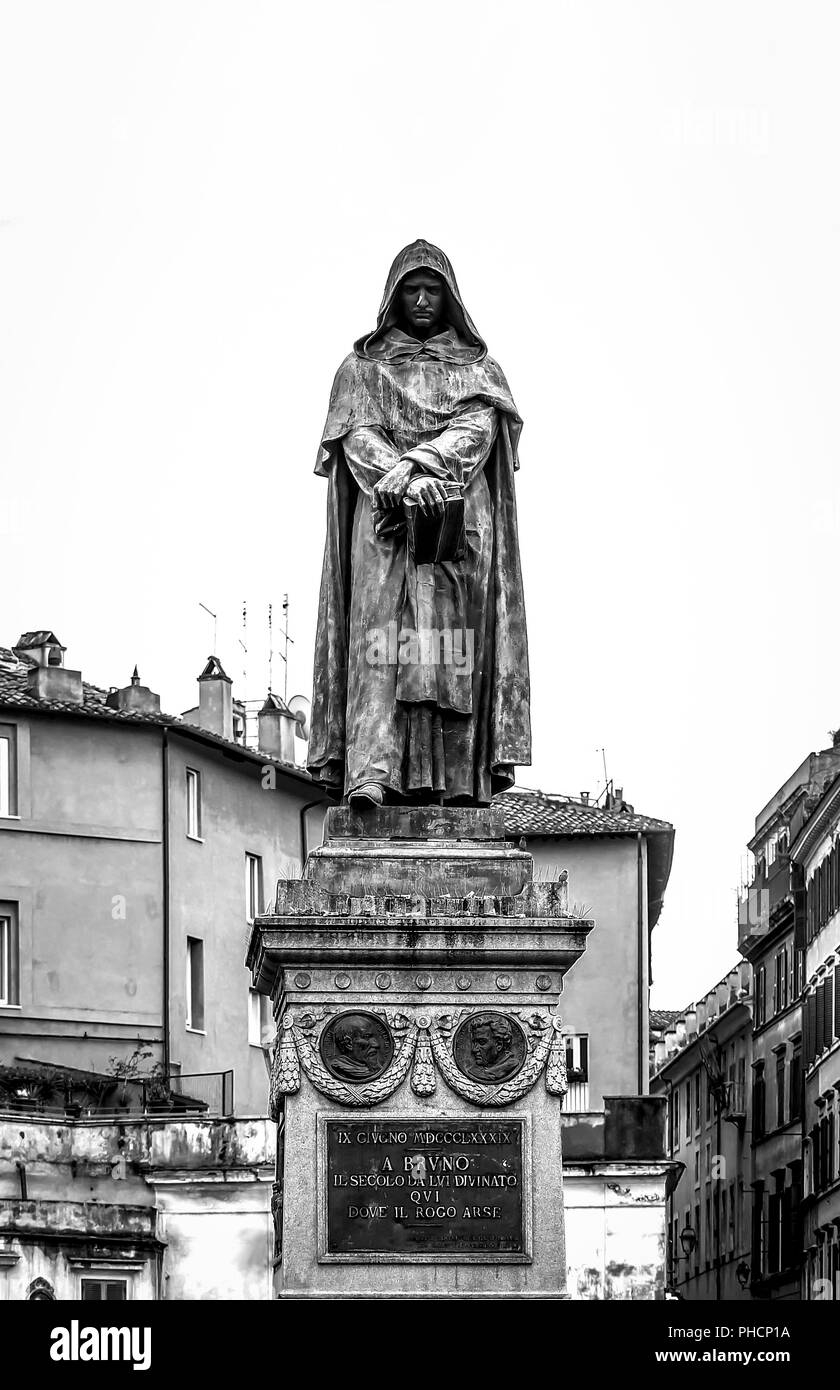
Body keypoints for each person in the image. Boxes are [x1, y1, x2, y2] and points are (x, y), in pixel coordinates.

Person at [308, 240, 530, 807]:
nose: (424, 299)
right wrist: (403, 480)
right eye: (412, 289)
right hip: (383, 521)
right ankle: (371, 770)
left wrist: (420, 465)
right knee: (378, 642)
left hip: (457, 527)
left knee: (450, 649)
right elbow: (355, 437)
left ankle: (458, 780)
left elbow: (477, 431)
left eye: (433, 289)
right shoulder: (360, 371)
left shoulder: (480, 371)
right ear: (394, 298)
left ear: (451, 298)